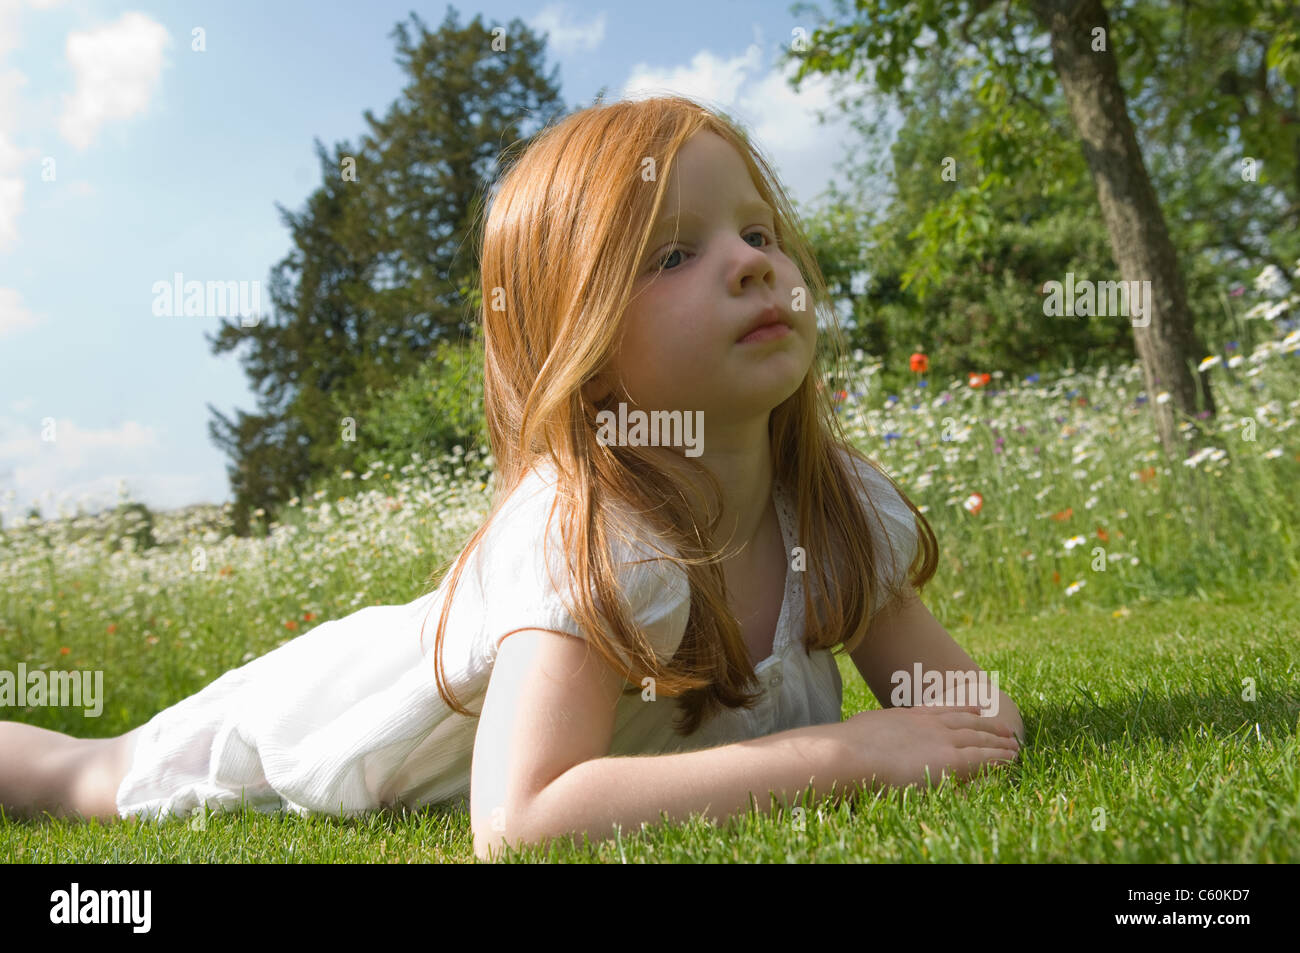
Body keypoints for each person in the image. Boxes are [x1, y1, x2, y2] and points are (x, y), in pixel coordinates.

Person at [0, 95, 1023, 858]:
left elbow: (970, 717)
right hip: (336, 709)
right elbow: (523, 818)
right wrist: (847, 759)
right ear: (575, 343)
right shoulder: (598, 533)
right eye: (671, 255)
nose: (751, 263)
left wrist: (933, 733)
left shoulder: (831, 506)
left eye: (758, 233)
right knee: (81, 771)